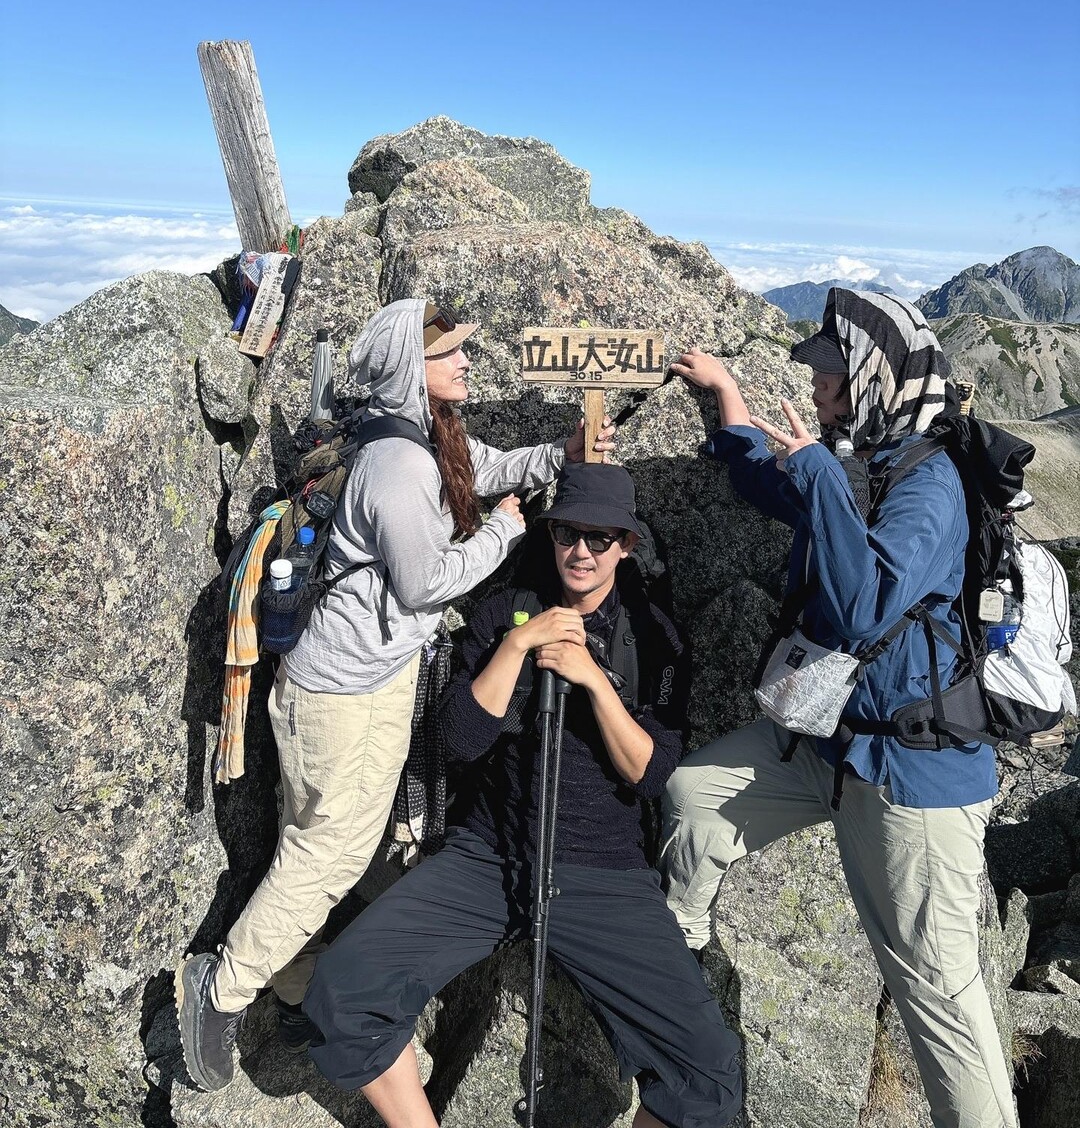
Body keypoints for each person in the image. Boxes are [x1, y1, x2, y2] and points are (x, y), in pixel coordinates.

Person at [177, 298, 612, 1093]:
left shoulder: (414, 436)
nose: (466, 362)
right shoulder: (400, 464)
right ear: (411, 369)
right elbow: (424, 586)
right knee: (331, 851)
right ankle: (222, 988)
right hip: (346, 696)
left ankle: (290, 967)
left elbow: (483, 467)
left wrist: (559, 452)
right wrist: (506, 532)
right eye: (449, 353)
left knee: (311, 838)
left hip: (352, 683)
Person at [662, 289, 1016, 1128]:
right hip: (835, 746)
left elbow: (864, 607)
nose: (818, 386)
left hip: (912, 775)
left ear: (870, 379)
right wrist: (726, 398)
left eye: (829, 371)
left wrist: (818, 467)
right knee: (697, 797)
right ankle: (677, 962)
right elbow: (771, 482)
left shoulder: (930, 488)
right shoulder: (869, 461)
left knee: (935, 992)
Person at [304, 461, 743, 1128]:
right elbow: (456, 739)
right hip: (490, 856)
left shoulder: (653, 639)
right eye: (569, 533)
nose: (582, 552)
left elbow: (650, 774)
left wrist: (594, 681)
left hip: (604, 873)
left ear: (626, 547)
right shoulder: (505, 611)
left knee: (707, 1071)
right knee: (345, 990)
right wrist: (515, 648)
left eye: (602, 538)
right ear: (550, 533)